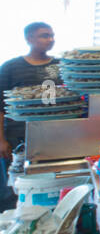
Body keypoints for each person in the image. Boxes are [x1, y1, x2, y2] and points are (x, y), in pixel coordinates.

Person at [0, 22, 60, 210]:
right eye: (44, 36)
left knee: (51, 187)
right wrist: (1, 140)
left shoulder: (59, 66)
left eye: (51, 35)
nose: (50, 40)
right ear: (29, 38)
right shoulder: (10, 68)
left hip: (52, 138)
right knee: (14, 189)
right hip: (17, 139)